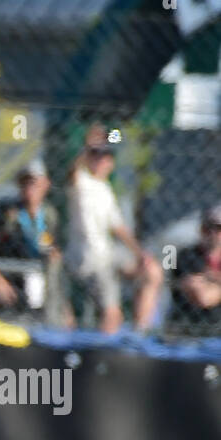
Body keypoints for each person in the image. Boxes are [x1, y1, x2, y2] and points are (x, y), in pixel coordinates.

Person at [64, 126, 162, 333]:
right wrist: (87, 146)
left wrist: (140, 254)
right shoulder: (81, 183)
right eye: (96, 155)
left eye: (105, 156)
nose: (101, 160)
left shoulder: (106, 190)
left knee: (151, 272)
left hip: (108, 253)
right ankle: (104, 352)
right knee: (112, 314)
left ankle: (139, 331)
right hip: (90, 258)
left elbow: (118, 227)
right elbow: (72, 172)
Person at [0, 160, 61, 322]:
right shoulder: (5, 211)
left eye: (34, 182)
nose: (29, 188)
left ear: (46, 184)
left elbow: (50, 247)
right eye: (24, 182)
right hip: (7, 280)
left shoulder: (49, 215)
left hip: (35, 284)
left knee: (36, 323)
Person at [166, 205, 221, 338]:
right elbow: (202, 295)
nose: (214, 234)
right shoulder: (186, 255)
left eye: (219, 229)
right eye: (210, 228)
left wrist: (211, 279)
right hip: (191, 321)